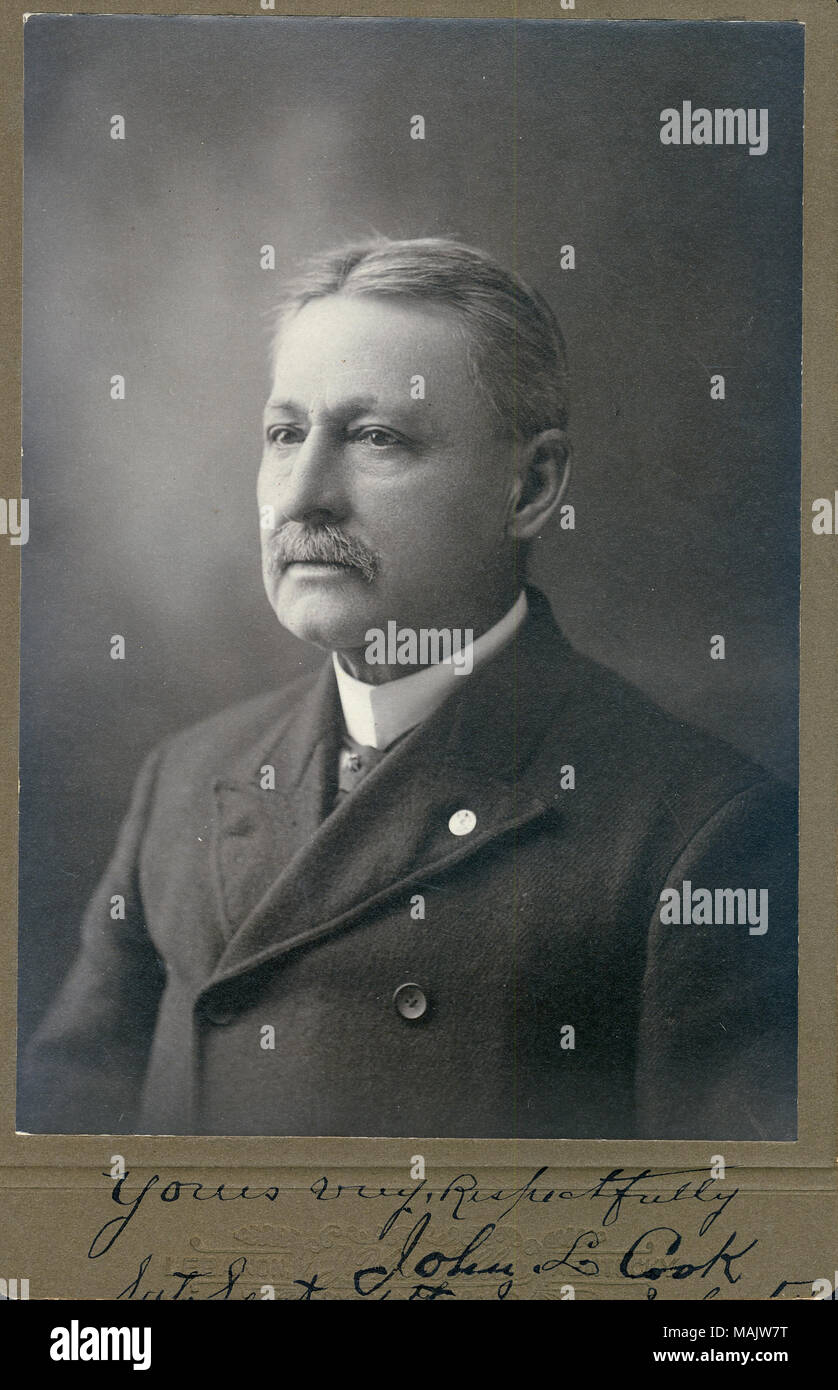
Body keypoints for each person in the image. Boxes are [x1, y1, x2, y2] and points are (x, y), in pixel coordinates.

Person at [20, 237, 797, 1139]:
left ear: (530, 487)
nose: (303, 496)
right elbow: (59, 1140)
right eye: (286, 434)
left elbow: (718, 1216)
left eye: (376, 438)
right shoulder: (186, 777)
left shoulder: (700, 836)